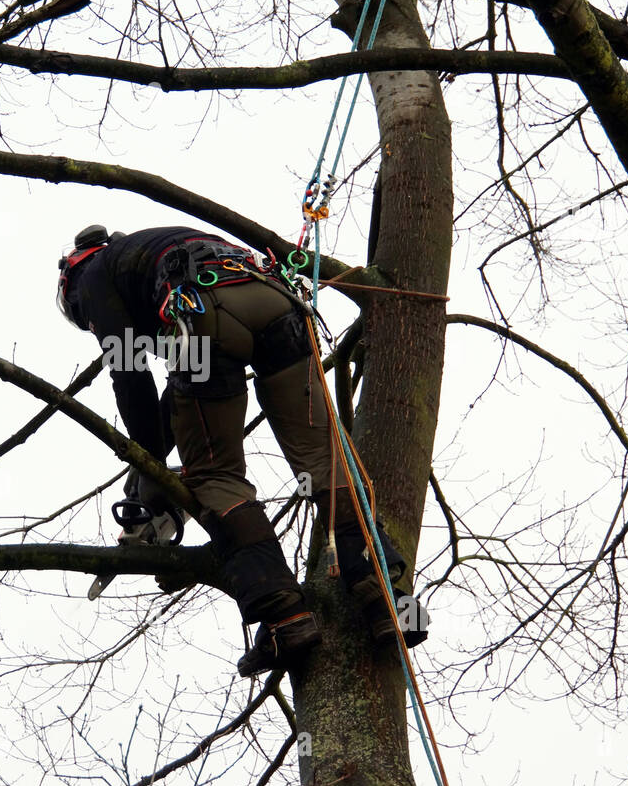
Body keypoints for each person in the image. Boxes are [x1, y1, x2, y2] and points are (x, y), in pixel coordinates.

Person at [56, 224, 428, 676]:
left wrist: (148, 465)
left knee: (216, 476)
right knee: (322, 458)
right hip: (277, 305)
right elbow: (176, 402)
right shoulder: (156, 246)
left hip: (205, 314)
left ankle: (284, 615)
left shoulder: (93, 277)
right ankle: (385, 600)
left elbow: (130, 372)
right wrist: (148, 478)